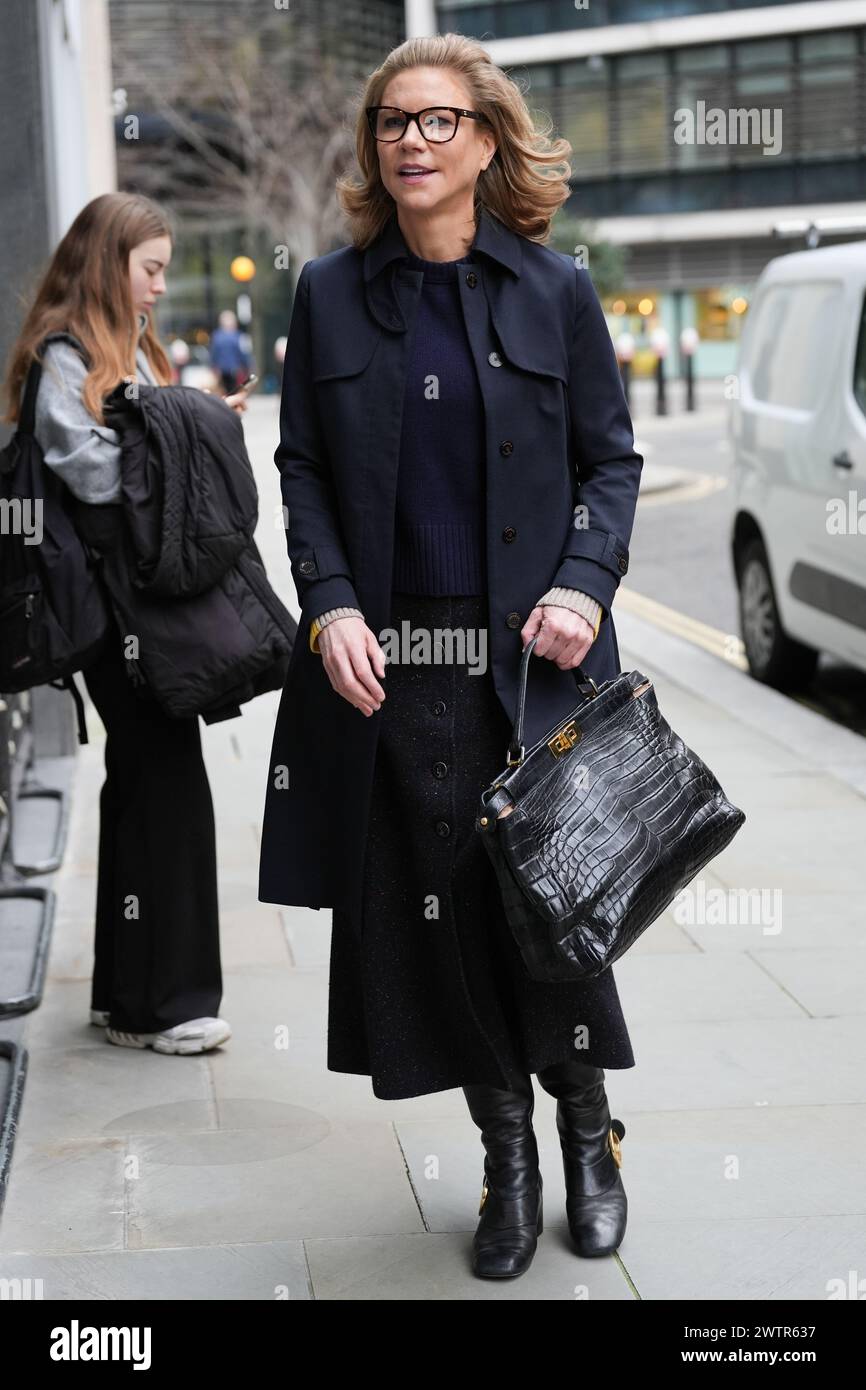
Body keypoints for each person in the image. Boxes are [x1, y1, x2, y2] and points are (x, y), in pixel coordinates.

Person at [258, 33, 643, 1278]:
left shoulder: (553, 289)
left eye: (434, 121)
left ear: (485, 139)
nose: (409, 141)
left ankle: (586, 1131)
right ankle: (506, 1154)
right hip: (396, 672)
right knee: (441, 923)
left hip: (533, 667)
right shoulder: (325, 291)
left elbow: (608, 465)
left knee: (551, 910)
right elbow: (302, 467)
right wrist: (326, 607)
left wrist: (583, 585)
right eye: (389, 122)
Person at [1, 192, 250, 1055]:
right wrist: (190, 433)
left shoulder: (118, 351)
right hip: (109, 615)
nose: (158, 288)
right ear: (110, 264)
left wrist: (194, 425)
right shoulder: (62, 356)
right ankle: (171, 1004)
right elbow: (101, 478)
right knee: (168, 780)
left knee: (146, 780)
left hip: (125, 607)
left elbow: (140, 459)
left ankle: (129, 999)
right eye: (149, 270)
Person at [209, 309, 252, 396]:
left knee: (223, 392)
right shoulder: (239, 336)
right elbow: (244, 354)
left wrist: (213, 367)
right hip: (235, 369)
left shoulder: (216, 337)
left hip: (221, 370)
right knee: (235, 391)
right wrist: (247, 367)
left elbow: (213, 355)